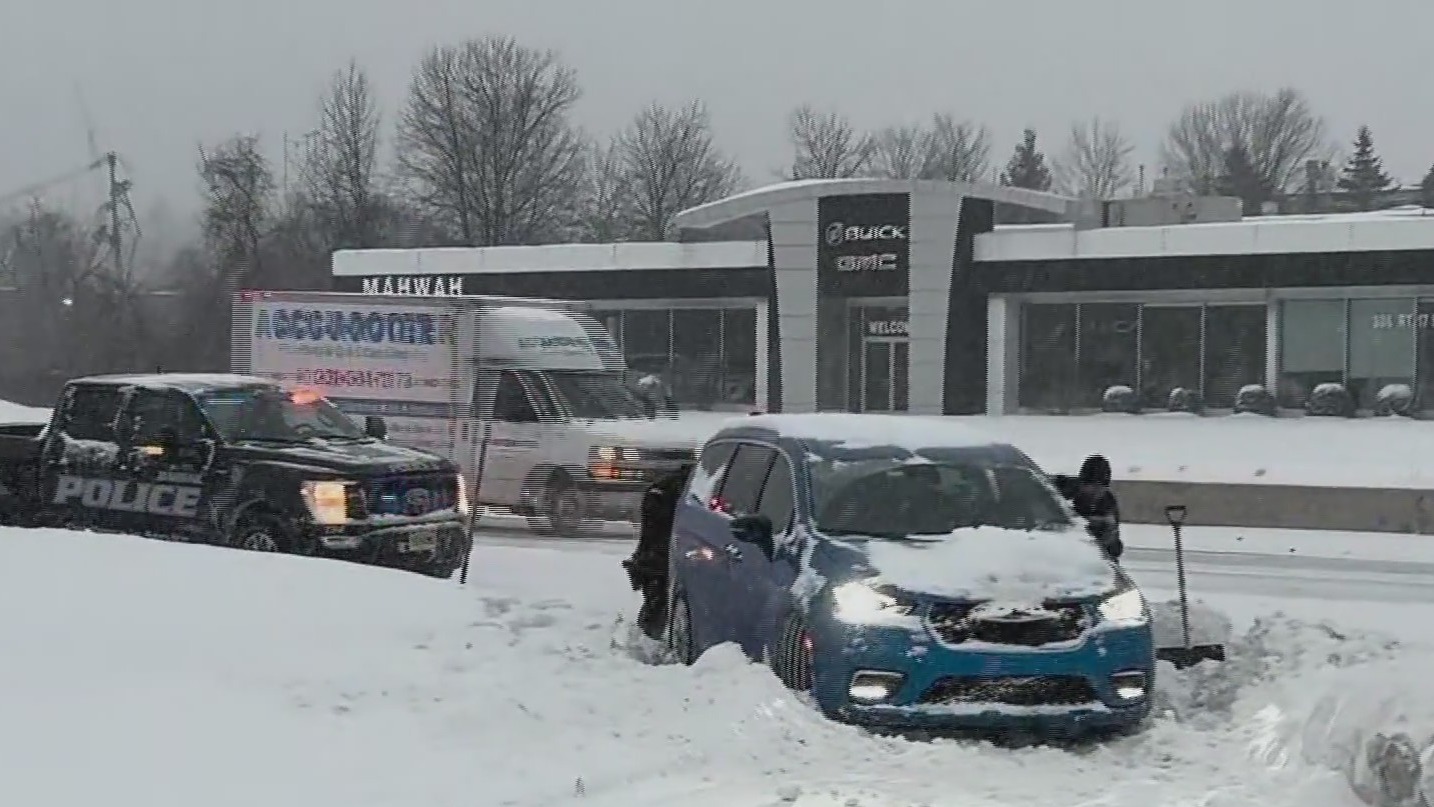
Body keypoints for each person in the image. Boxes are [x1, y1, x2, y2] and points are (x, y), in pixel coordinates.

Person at [623, 462, 695, 639]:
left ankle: (648, 636)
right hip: (659, 560)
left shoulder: (668, 488)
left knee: (658, 603)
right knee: (658, 603)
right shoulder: (673, 490)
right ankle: (649, 637)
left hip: (656, 558)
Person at [1052, 454, 1124, 562]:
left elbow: (1115, 551)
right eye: (1092, 486)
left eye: (1102, 487)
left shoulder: (1107, 503)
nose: (1096, 492)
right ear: (1082, 483)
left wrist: (1110, 534)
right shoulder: (1063, 489)